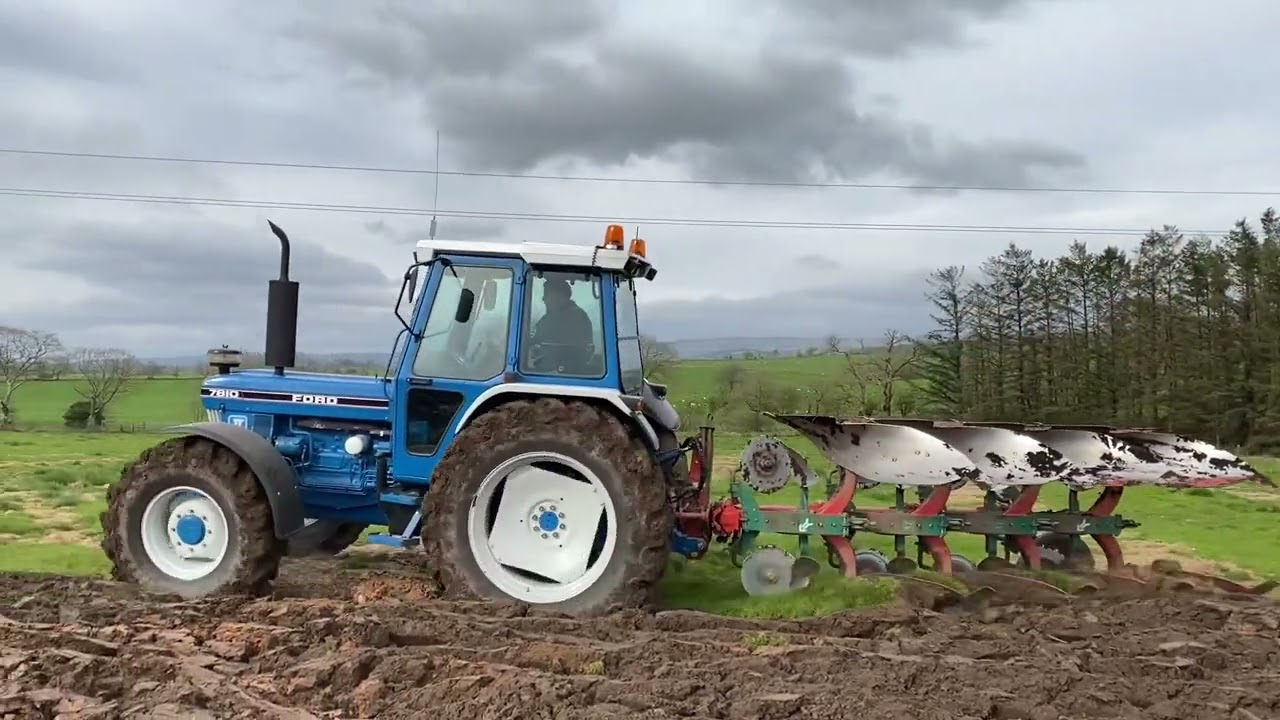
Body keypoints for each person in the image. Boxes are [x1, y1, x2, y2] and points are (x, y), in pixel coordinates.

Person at [531, 277, 595, 373]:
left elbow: (533, 340)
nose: (543, 299)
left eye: (547, 295)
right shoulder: (578, 315)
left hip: (560, 371)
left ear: (560, 296)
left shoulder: (568, 318)